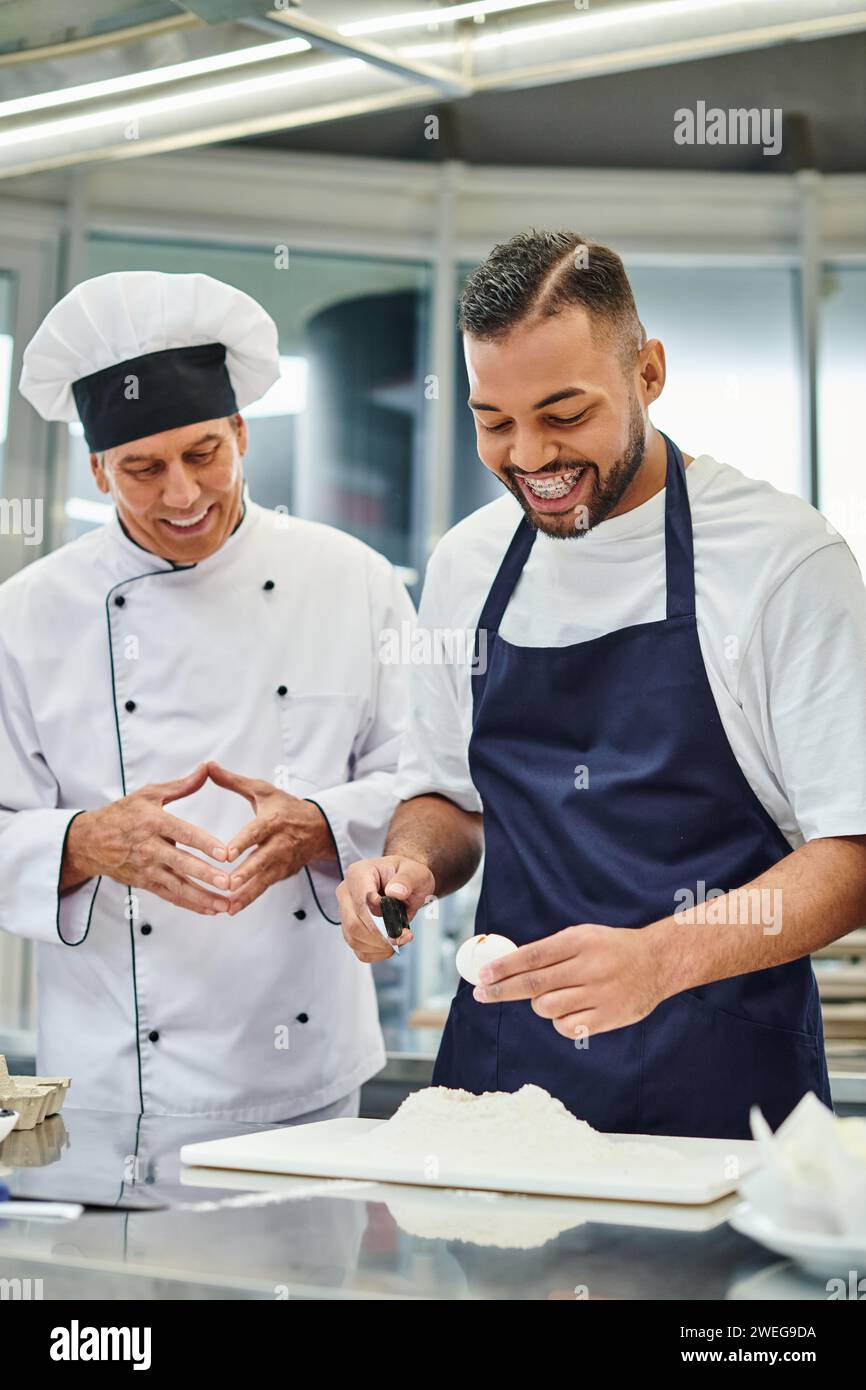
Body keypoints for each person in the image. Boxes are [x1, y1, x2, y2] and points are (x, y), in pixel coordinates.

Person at [337, 230, 866, 1140]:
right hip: (500, 1093)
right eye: (493, 421)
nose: (531, 456)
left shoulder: (783, 559)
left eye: (564, 412)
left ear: (649, 372)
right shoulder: (466, 565)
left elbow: (852, 854)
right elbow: (446, 798)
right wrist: (411, 864)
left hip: (722, 1089)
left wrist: (662, 958)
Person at [0, 270, 414, 1122]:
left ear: (241, 432)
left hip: (305, 1080)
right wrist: (82, 842)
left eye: (203, 454)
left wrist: (322, 825)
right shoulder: (28, 613)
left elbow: (426, 784)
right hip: (109, 1088)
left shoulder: (353, 581)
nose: (182, 494)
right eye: (143, 468)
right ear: (98, 467)